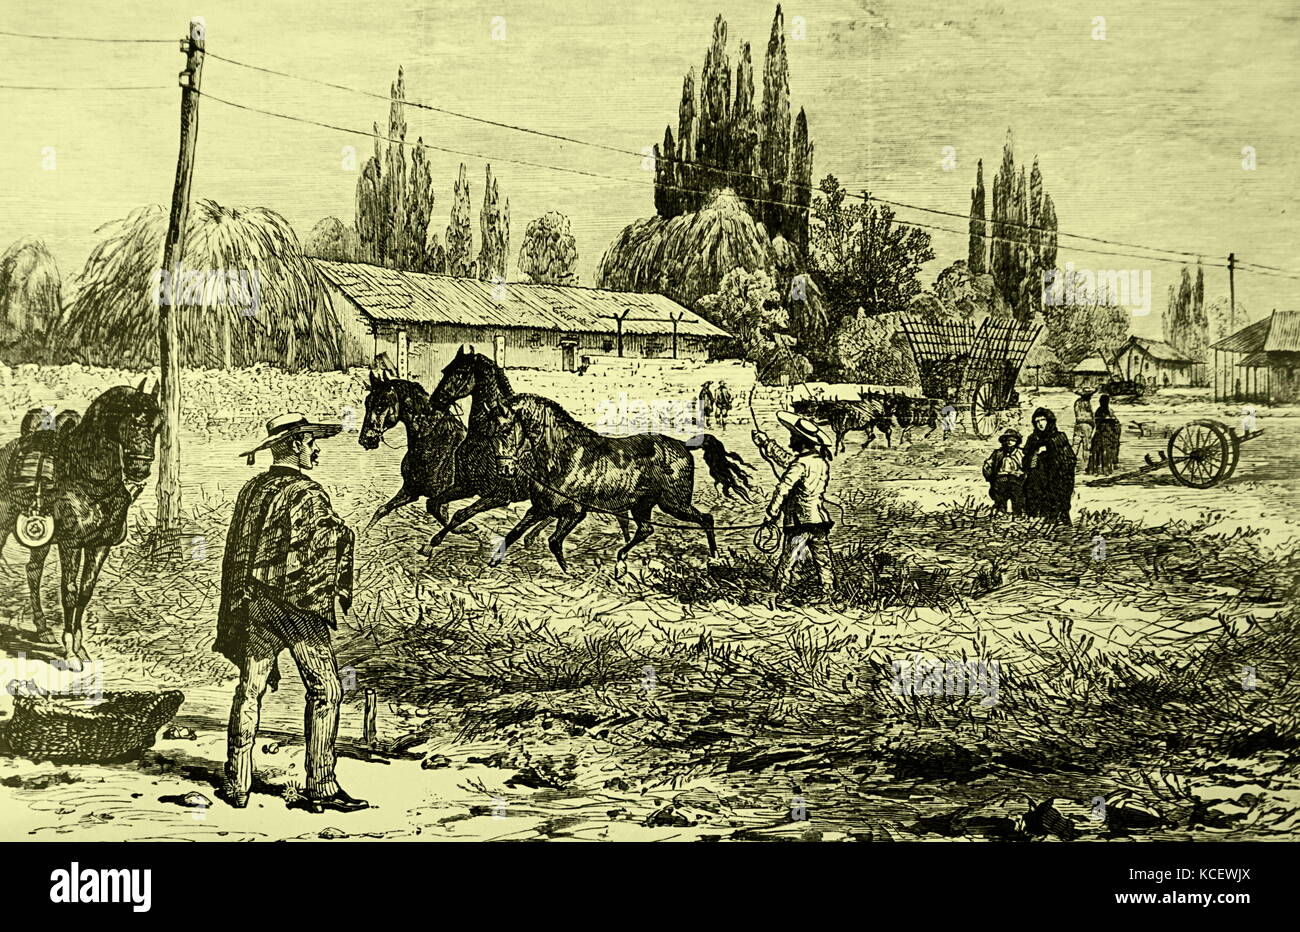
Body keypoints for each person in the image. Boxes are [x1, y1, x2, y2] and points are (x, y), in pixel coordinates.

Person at [216, 412, 365, 814]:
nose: (316, 449)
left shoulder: (252, 488)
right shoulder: (307, 492)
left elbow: (239, 552)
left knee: (250, 688)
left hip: (255, 601)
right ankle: (321, 783)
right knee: (327, 690)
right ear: (295, 445)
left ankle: (237, 781)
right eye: (311, 442)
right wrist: (344, 531)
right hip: (295, 604)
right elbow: (321, 544)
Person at [751, 412, 836, 598]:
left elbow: (783, 489)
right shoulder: (819, 462)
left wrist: (771, 514)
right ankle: (828, 593)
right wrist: (767, 444)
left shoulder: (800, 465)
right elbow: (788, 461)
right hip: (819, 520)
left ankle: (779, 595)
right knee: (823, 561)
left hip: (800, 523)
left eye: (793, 438)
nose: (790, 441)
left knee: (788, 561)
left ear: (801, 441)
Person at [1021, 407, 1076, 525]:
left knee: (1057, 488)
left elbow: (1069, 459)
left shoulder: (1059, 437)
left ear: (1049, 420)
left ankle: (1058, 516)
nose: (1040, 424)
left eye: (1042, 420)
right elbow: (1026, 458)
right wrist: (1035, 454)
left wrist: (1050, 451)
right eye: (1037, 421)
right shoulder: (1033, 438)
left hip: (1057, 475)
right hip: (1038, 475)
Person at [982, 429, 1025, 515]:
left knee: (1018, 497)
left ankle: (1018, 513)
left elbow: (1028, 465)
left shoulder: (1021, 452)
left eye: (1012, 440)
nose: (1009, 442)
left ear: (1016, 441)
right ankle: (1001, 511)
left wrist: (1023, 475)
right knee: (999, 496)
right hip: (1001, 478)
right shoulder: (998, 453)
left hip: (1017, 479)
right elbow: (988, 465)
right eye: (1008, 440)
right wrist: (990, 478)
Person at [1087, 393, 1121, 475]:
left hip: (1107, 434)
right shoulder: (1100, 411)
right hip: (1103, 434)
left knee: (1105, 451)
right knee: (1102, 451)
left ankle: (1104, 469)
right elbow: (1100, 421)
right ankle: (1101, 469)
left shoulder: (1109, 410)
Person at [1072, 390, 1095, 464]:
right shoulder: (1086, 404)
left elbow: (1078, 416)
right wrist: (1093, 423)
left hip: (1078, 425)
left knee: (1075, 444)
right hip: (1086, 426)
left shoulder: (1077, 402)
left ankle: (1070, 461)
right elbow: (1089, 417)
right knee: (1087, 446)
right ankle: (1086, 463)